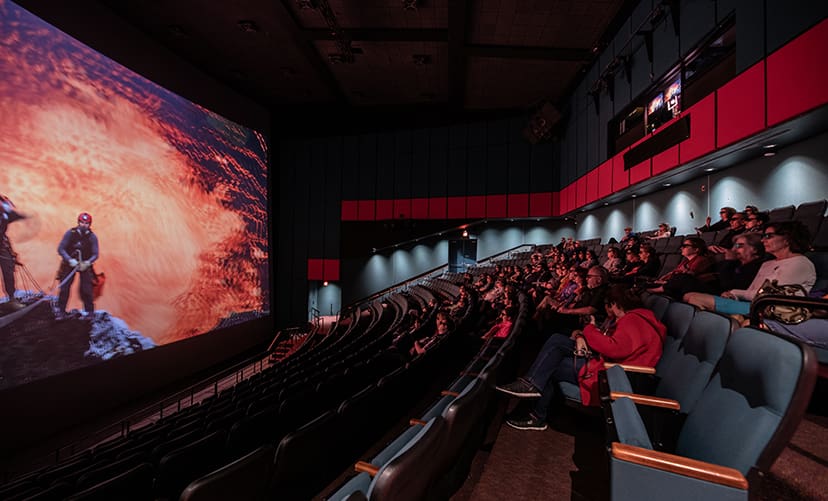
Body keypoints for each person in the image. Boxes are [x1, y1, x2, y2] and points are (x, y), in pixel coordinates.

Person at [495, 285, 666, 430]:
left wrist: (590, 329)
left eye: (607, 306)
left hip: (611, 376)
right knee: (555, 345)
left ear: (614, 304)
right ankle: (532, 393)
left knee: (552, 361)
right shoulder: (639, 318)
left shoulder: (633, 320)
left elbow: (613, 349)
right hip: (610, 368)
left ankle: (535, 407)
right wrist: (580, 335)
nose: (607, 312)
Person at [681, 221, 816, 316]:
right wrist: (733, 295)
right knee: (689, 296)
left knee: (694, 298)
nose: (763, 240)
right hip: (751, 304)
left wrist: (735, 292)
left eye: (768, 236)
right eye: (763, 237)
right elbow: (752, 290)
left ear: (787, 240)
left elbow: (769, 297)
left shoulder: (800, 263)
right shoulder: (768, 263)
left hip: (769, 311)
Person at [57, 212, 99, 317]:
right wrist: (69, 260)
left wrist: (88, 263)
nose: (84, 225)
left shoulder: (92, 237)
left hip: (84, 264)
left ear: (89, 224)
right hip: (70, 263)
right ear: (78, 222)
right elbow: (61, 249)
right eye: (82, 222)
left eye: (86, 223)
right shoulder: (70, 233)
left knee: (86, 289)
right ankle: (61, 311)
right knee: (65, 287)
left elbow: (95, 254)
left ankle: (89, 312)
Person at [647, 237, 715, 297]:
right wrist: (663, 280)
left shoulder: (702, 260)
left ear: (696, 249)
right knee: (646, 285)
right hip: (674, 285)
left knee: (682, 277)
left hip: (694, 288)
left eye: (685, 246)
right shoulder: (685, 262)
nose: (681, 248)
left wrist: (666, 282)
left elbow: (688, 277)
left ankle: (659, 289)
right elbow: (675, 272)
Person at [0, 194, 26, 310]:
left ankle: (11, 298)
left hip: (2, 246)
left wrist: (11, 253)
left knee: (8, 271)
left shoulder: (4, 216)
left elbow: (3, 235)